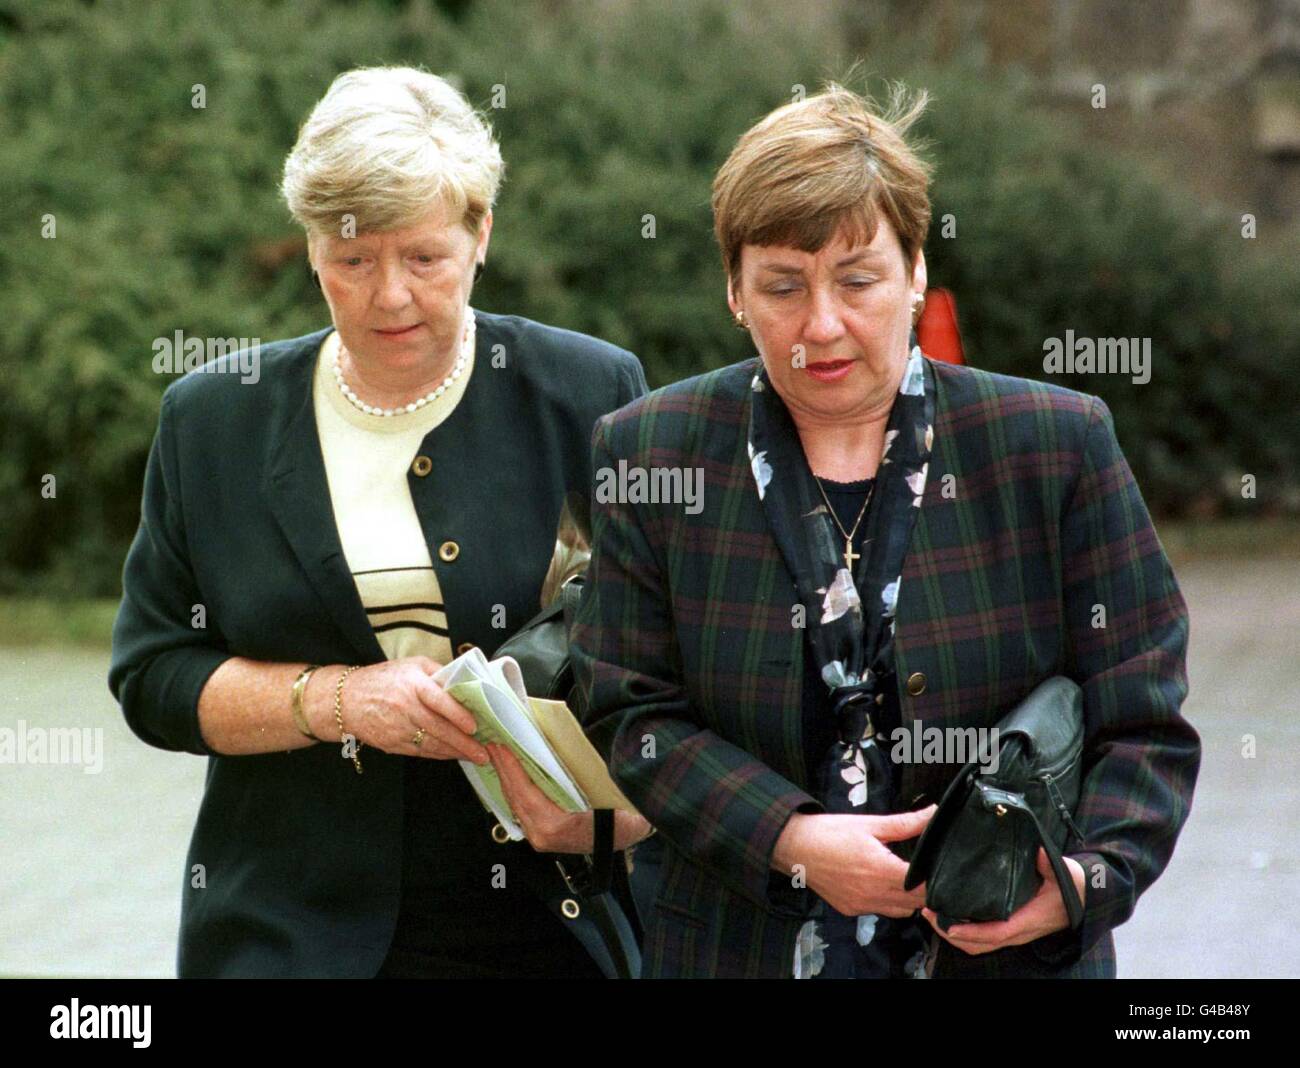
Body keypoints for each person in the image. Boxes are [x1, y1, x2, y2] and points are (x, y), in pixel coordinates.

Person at [570, 82, 1200, 978]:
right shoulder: (648, 451)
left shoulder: (1057, 444)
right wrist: (789, 837)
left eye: (858, 279)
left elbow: (1144, 717)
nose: (821, 324)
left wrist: (1086, 879)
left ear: (916, 275)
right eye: (781, 285)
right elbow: (631, 715)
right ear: (733, 292)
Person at [109, 65, 650, 979]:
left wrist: (616, 819)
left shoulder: (593, 393)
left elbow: (667, 665)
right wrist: (339, 701)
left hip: (548, 922)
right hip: (287, 929)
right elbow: (154, 677)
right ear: (312, 246)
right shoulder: (212, 419)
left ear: (482, 232)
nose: (389, 295)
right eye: (353, 260)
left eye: (424, 258)